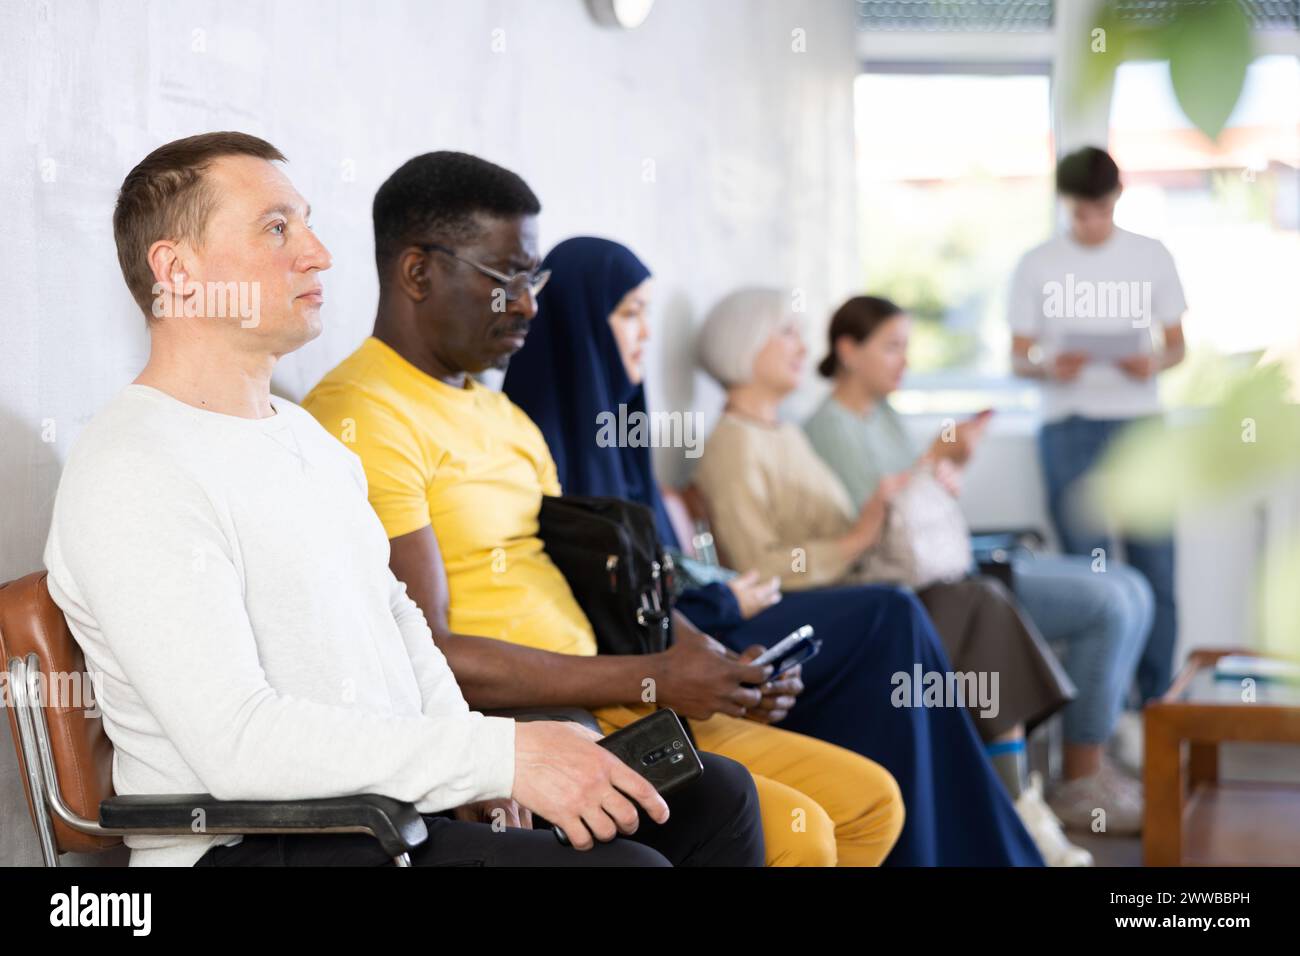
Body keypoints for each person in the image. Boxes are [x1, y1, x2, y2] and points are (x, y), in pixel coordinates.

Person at [45, 132, 766, 868]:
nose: (318, 252)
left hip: (389, 810)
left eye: (307, 221)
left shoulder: (302, 436)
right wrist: (494, 754)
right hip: (264, 844)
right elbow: (237, 742)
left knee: (714, 799)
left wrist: (483, 777)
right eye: (276, 227)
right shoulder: (136, 465)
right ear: (178, 268)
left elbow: (398, 617)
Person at [303, 152, 903, 866]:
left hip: (618, 693)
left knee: (871, 802)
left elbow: (593, 576)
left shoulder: (501, 413)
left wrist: (707, 660)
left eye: (535, 279)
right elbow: (429, 653)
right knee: (798, 831)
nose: (527, 303)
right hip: (534, 722)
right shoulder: (362, 416)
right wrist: (650, 677)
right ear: (418, 272)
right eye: (507, 279)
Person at [501, 235, 1056, 866]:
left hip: (695, 618)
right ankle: (990, 840)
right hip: (679, 633)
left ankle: (991, 839)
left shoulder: (627, 433)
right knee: (899, 616)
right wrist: (723, 595)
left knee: (923, 616)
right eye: (628, 314)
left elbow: (653, 572)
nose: (646, 335)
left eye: (650, 315)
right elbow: (612, 590)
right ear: (579, 321)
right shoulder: (534, 438)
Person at [690, 289, 1101, 845]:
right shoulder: (734, 445)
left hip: (854, 590)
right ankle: (1014, 809)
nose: (801, 345)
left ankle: (1012, 809)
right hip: (825, 607)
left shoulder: (781, 433)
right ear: (744, 344)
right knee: (974, 606)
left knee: (977, 605)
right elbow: (758, 564)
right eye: (785, 332)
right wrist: (861, 532)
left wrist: (896, 500)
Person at [805, 294, 1151, 837]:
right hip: (917, 582)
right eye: (892, 347)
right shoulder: (830, 427)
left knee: (1132, 587)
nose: (905, 362)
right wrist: (935, 460)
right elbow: (874, 524)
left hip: (949, 565)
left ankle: (1097, 752)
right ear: (847, 350)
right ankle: (1080, 778)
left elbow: (916, 506)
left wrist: (945, 467)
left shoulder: (884, 415)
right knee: (1108, 603)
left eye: (907, 348)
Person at [1009, 146, 1186, 707]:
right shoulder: (1037, 263)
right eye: (1080, 211)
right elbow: (1017, 357)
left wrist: (1151, 362)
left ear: (1116, 199)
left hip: (1140, 428)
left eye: (1100, 209)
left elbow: (1178, 348)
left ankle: (1153, 708)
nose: (1090, 222)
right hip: (1069, 426)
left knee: (1156, 570)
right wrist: (1046, 366)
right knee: (1092, 579)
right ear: (1066, 204)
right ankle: (1101, 721)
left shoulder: (1151, 255)